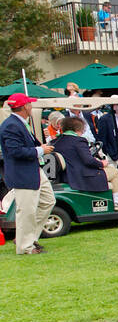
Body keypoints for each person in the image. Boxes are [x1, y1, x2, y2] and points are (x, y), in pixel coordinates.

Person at [1, 93, 56, 254]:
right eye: (29, 104)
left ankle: (27, 237)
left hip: (33, 169)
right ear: (25, 107)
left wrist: (40, 147)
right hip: (22, 173)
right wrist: (40, 150)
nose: (31, 106)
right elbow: (15, 151)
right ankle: (25, 247)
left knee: (48, 201)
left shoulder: (20, 123)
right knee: (27, 210)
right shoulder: (11, 125)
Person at [54, 116, 118, 209]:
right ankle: (116, 202)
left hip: (67, 175)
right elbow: (88, 161)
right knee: (115, 171)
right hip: (81, 176)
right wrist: (101, 163)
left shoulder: (56, 141)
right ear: (80, 129)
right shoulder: (79, 141)